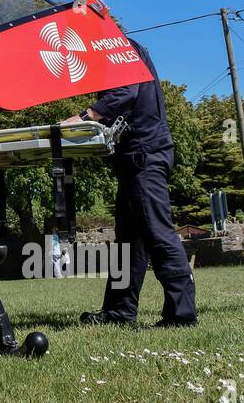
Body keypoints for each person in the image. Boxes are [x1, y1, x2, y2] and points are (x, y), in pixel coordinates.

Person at [62, 40, 197, 327]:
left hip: (144, 155)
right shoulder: (122, 46)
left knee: (157, 232)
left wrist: (84, 117)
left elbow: (125, 92)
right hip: (136, 156)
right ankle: (119, 312)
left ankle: (182, 314)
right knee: (129, 241)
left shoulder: (116, 47)